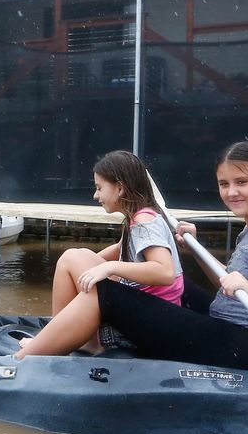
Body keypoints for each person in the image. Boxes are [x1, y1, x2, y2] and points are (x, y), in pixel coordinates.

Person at [16, 142, 248, 368]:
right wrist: (196, 250)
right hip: (226, 322)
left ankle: (25, 359)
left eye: (241, 182)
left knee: (107, 291)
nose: (231, 192)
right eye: (224, 184)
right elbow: (231, 284)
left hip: (245, 344)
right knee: (131, 279)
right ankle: (75, 336)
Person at [16, 150, 184, 356]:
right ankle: (60, 335)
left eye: (99, 188)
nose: (96, 195)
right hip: (149, 311)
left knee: (71, 259)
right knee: (73, 256)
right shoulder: (139, 217)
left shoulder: (144, 222)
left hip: (151, 321)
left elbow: (164, 272)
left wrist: (107, 267)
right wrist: (88, 263)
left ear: (120, 188)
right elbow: (119, 250)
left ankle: (57, 340)